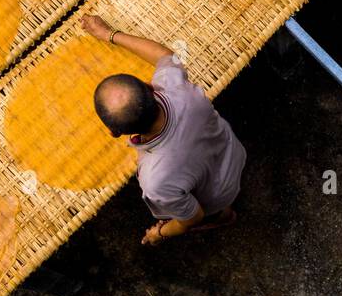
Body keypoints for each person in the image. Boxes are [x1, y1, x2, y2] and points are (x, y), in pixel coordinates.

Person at [81, 15, 246, 246]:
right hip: (233, 153)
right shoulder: (178, 90)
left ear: (113, 133)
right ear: (150, 86)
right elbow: (165, 56)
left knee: (214, 208)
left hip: (217, 196)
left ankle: (224, 217)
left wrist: (159, 234)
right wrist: (109, 34)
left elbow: (192, 216)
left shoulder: (156, 180)